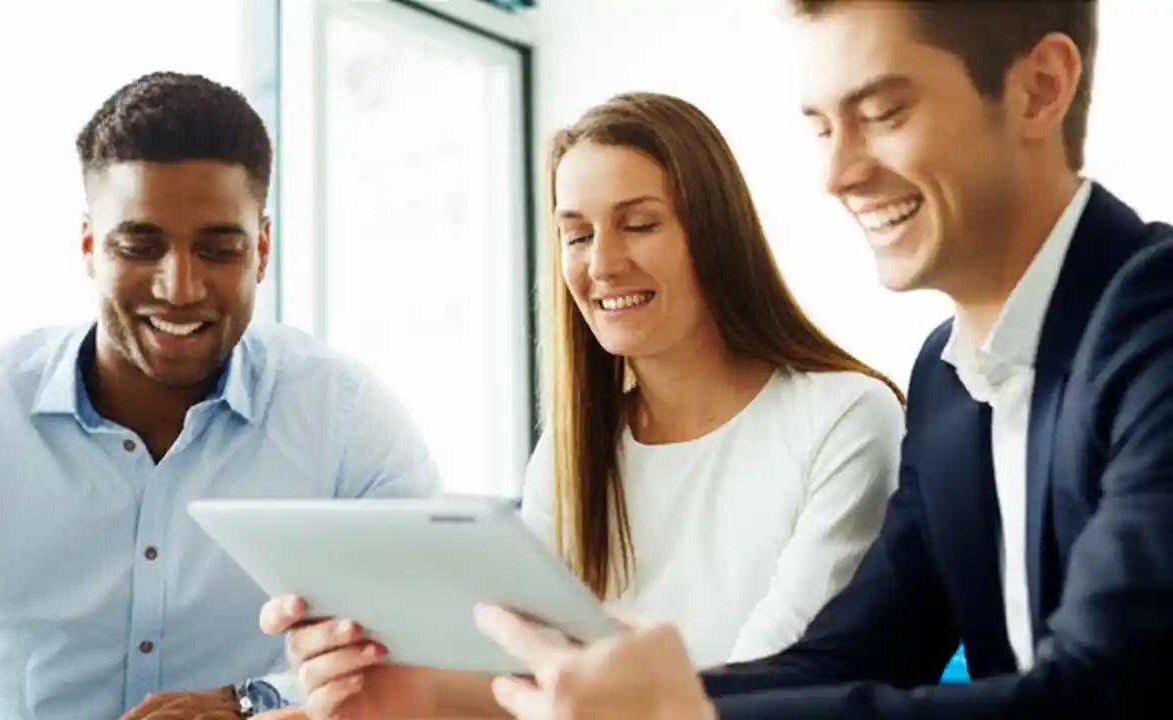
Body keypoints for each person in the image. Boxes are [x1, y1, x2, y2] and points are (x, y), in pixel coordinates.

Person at [462, 1, 1173, 718]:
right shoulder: (947, 380)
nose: (837, 173)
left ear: (1040, 87)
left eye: (883, 113)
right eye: (823, 128)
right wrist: (622, 691)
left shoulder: (1157, 321)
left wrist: (681, 714)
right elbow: (858, 652)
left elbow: (1104, 693)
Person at [262, 91, 906, 718]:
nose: (602, 264)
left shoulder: (845, 419)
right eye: (576, 235)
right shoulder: (572, 450)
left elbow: (775, 690)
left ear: (714, 232)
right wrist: (390, 693)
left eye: (639, 224)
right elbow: (526, 681)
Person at [0, 71, 437, 720]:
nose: (180, 287)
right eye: (139, 246)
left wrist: (254, 705)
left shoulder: (345, 418)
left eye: (218, 249)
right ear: (91, 247)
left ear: (261, 250)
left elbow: (436, 644)